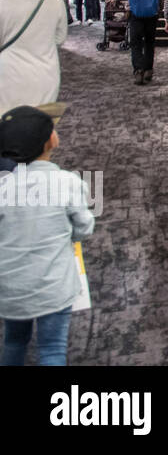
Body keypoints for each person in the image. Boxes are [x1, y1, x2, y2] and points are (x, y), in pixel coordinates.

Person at [0, 106, 95, 366]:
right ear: (50, 141)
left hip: (10, 289)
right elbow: (84, 227)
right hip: (53, 285)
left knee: (13, 342)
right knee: (52, 348)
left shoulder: (3, 186)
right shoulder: (67, 182)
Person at [0, 0, 68, 115]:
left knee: (8, 128)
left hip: (7, 74)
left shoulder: (2, 3)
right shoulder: (55, 1)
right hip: (45, 74)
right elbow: (60, 39)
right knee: (39, 129)